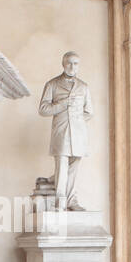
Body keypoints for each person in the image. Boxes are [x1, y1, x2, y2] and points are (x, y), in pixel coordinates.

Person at [39, 52, 92, 210]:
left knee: (74, 166)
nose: (72, 66)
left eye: (75, 63)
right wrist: (63, 105)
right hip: (61, 131)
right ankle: (60, 202)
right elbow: (43, 109)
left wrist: (77, 120)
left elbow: (89, 111)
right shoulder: (52, 84)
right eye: (69, 63)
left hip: (79, 133)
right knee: (62, 164)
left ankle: (71, 201)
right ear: (63, 64)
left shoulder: (84, 86)